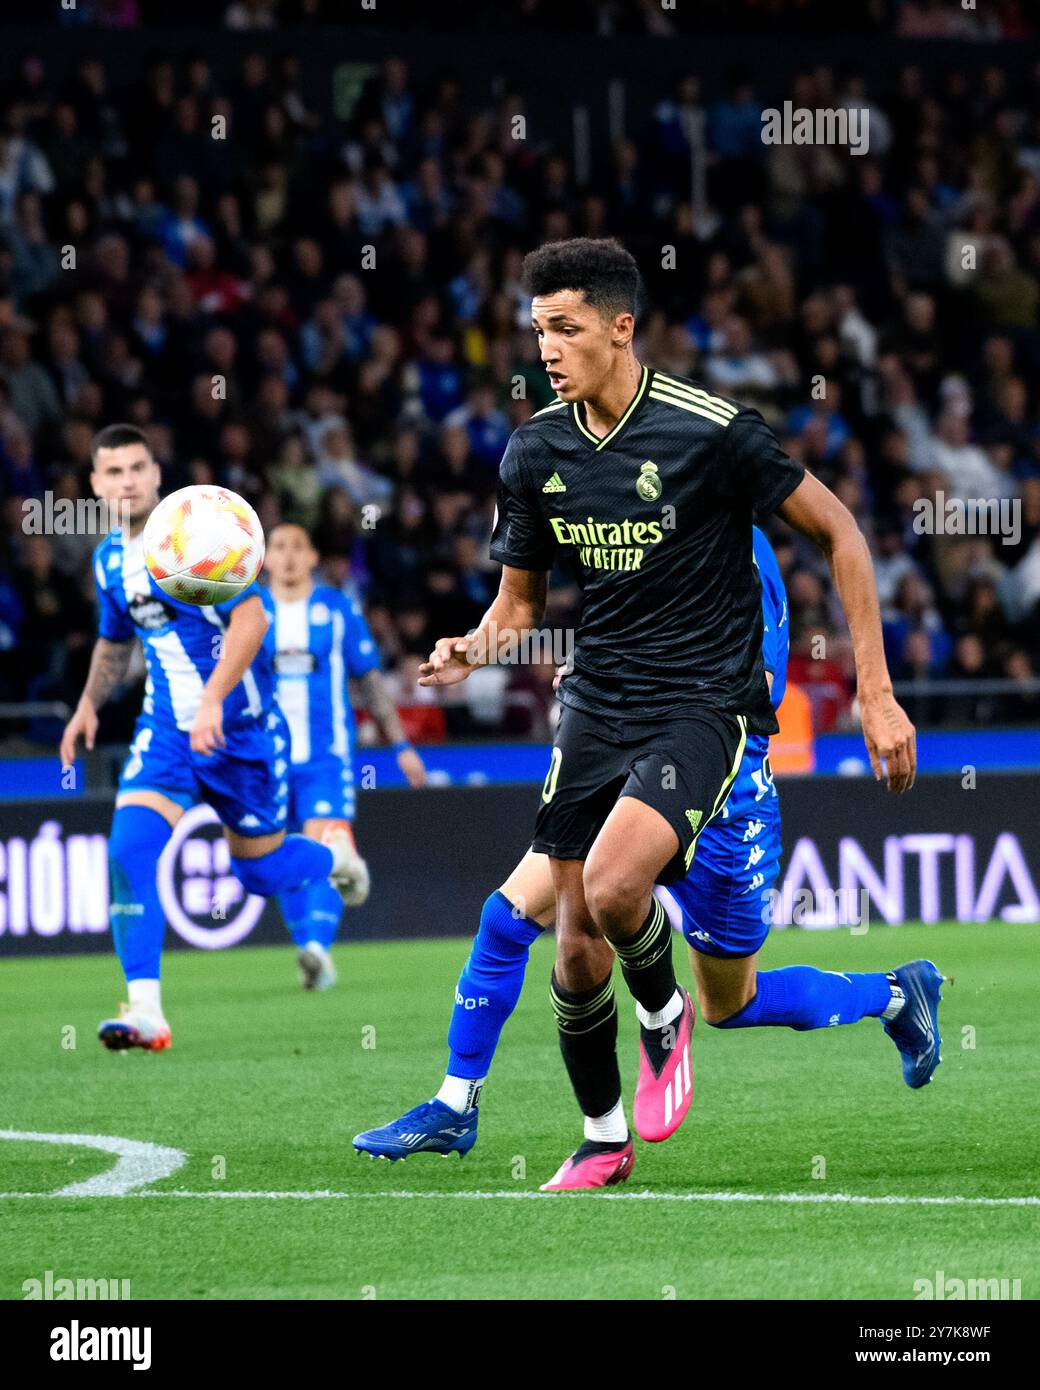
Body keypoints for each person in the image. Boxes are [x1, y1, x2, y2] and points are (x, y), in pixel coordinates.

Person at [413, 238, 937, 1188]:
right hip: (599, 705)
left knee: (643, 921)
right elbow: (520, 607)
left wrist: (876, 690)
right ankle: (603, 1140)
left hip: (707, 711)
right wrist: (472, 647)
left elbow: (844, 534)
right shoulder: (535, 450)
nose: (547, 349)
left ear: (622, 326)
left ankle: (687, 1018)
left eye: (565, 328)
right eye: (537, 330)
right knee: (573, 945)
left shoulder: (714, 433)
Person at [355, 529, 945, 1186]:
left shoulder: (731, 549)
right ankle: (457, 1104)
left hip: (724, 792)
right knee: (510, 917)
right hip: (628, 763)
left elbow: (744, 683)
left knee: (732, 1003)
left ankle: (893, 994)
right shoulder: (639, 515)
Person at [59, 424, 365, 1052]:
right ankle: (146, 1012)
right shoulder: (108, 561)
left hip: (243, 733)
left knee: (258, 874)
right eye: (113, 473)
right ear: (95, 484)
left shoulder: (202, 536)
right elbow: (115, 641)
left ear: (155, 472)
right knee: (127, 850)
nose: (127, 481)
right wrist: (88, 703)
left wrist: (213, 701)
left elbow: (253, 619)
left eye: (137, 468)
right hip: (167, 731)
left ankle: (336, 859)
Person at [261, 522, 426, 989]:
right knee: (280, 858)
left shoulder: (337, 609)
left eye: (298, 546)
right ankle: (309, 948)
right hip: (266, 761)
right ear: (266, 559)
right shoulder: (249, 610)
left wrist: (402, 746)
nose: (289, 555)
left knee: (327, 844)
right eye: (279, 547)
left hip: (325, 759)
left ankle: (317, 947)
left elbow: (371, 682)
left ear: (313, 557)